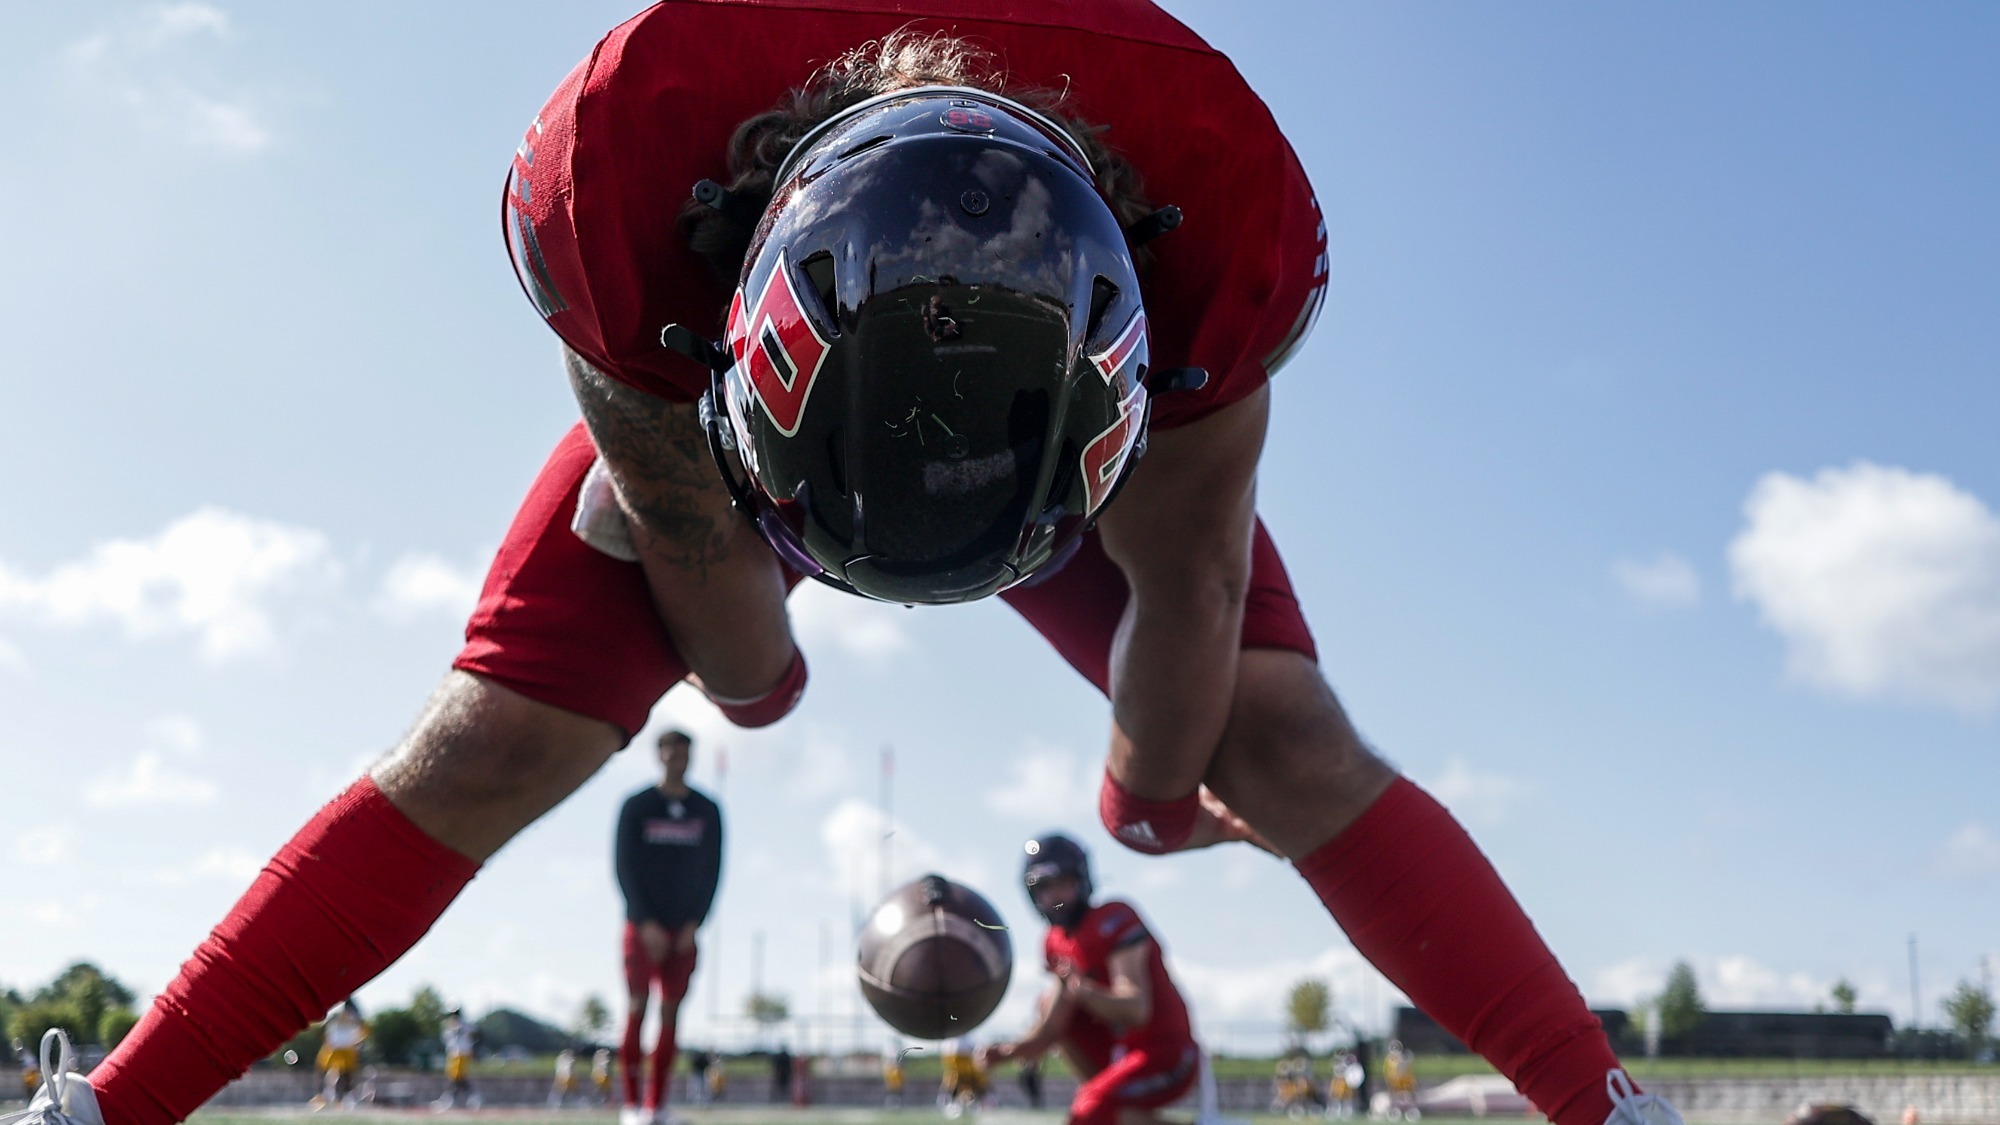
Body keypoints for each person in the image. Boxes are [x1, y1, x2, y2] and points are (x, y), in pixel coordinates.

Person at [20, 9, 1686, 1125]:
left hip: (1035, 460)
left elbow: (1189, 586)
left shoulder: (1218, 217)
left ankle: (1605, 1102)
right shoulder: (624, 180)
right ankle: (109, 1106)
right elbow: (726, 625)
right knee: (497, 737)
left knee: (1286, 738)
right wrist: (768, 686)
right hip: (726, 433)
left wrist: (1146, 804)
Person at [983, 835, 1199, 1125]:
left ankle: (1100, 1098)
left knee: (1090, 1111)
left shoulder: (1113, 918)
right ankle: (1102, 1095)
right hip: (1122, 1054)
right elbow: (1051, 1029)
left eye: (1061, 884)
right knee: (1049, 1005)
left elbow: (1136, 1009)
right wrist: (1005, 1052)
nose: (1054, 897)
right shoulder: (1054, 941)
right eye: (1044, 888)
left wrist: (1084, 991)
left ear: (1081, 880)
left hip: (1168, 1054)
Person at [614, 729, 723, 1125]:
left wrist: (695, 923)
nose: (677, 756)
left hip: (685, 933)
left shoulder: (707, 809)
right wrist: (645, 922)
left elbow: (713, 871)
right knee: (637, 1006)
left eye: (684, 750)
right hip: (643, 928)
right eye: (670, 749)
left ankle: (656, 1106)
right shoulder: (637, 806)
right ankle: (631, 1107)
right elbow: (624, 867)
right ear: (658, 754)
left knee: (671, 1012)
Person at [311, 1000, 368, 1111]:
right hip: (334, 1047)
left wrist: (357, 1043)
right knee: (323, 1071)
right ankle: (322, 1096)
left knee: (346, 1074)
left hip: (347, 1048)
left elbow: (360, 1029)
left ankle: (343, 1098)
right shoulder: (337, 1010)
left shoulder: (353, 1012)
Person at [434, 1008, 479, 1111]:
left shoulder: (465, 1024)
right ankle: (465, 1097)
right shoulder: (448, 1025)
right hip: (453, 1054)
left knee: (457, 1077)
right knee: (454, 1078)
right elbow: (446, 1039)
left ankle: (451, 1099)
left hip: (462, 1054)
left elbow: (475, 1033)